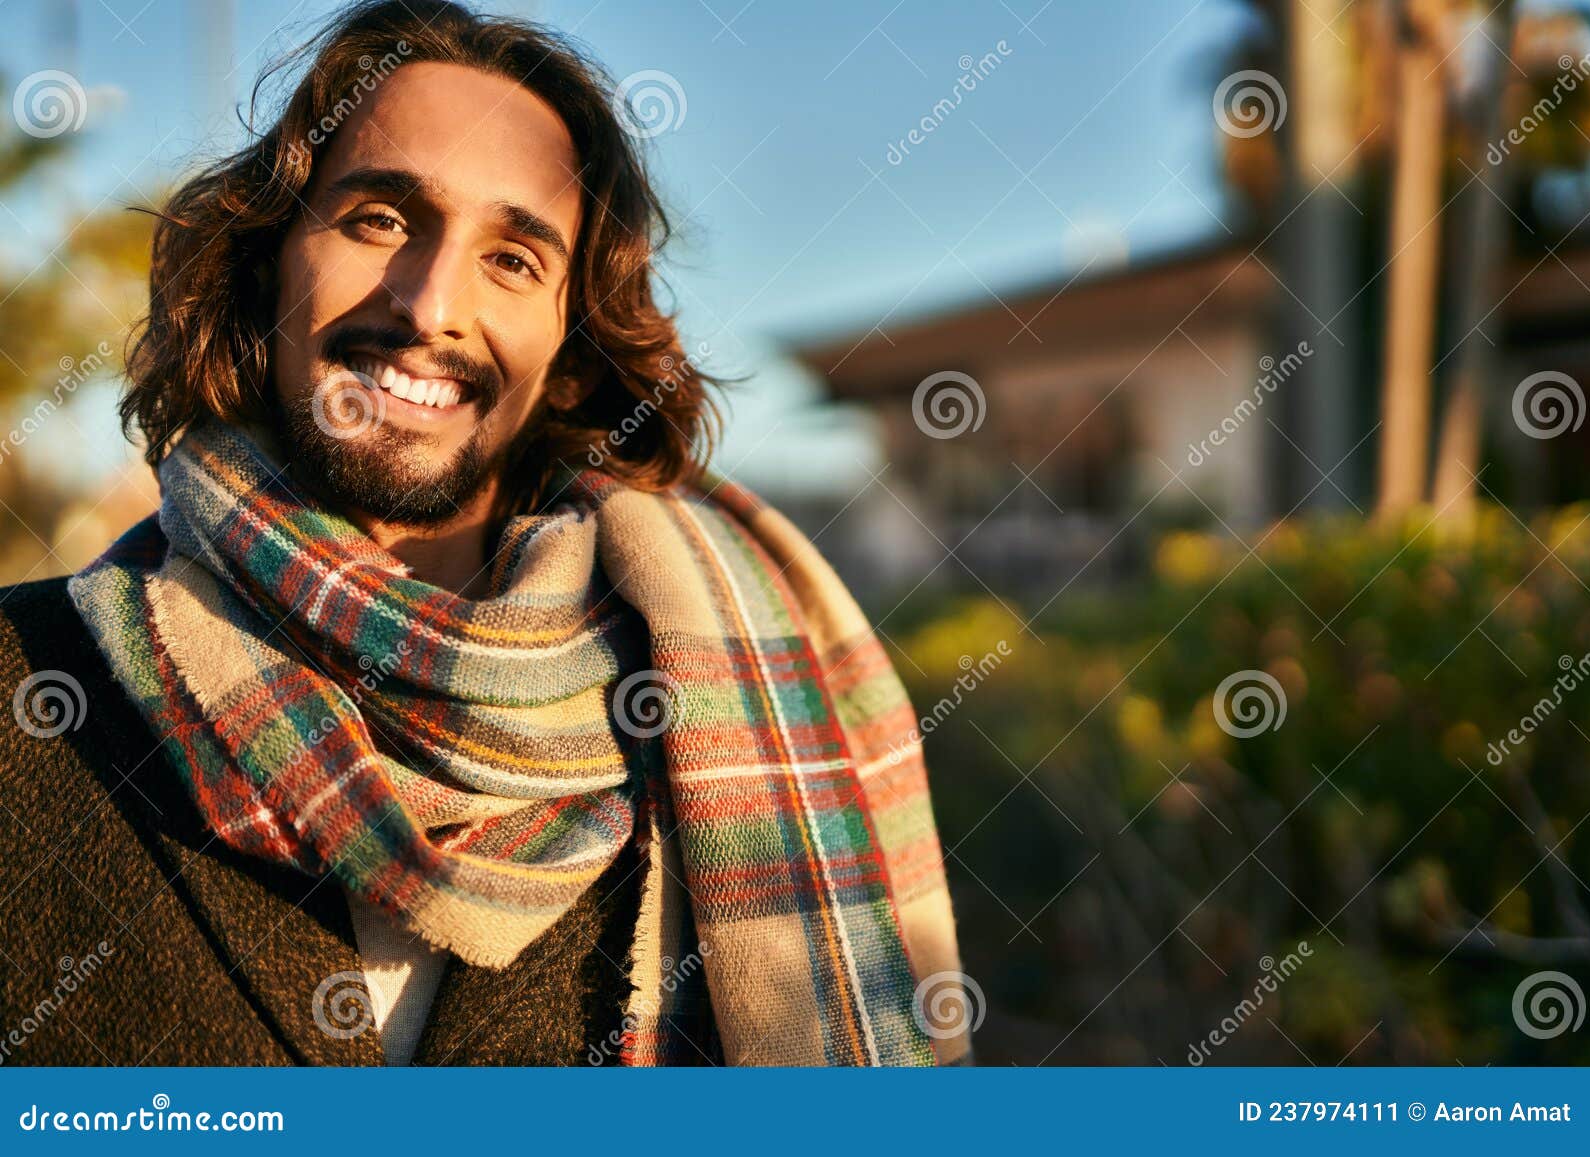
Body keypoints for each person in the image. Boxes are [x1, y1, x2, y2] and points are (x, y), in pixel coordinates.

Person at [0, 0, 966, 1067]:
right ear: (267, 256)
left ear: (570, 341)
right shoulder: (31, 692)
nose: (428, 306)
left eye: (512, 258)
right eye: (378, 219)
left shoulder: (691, 709)